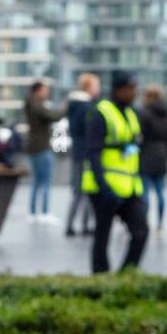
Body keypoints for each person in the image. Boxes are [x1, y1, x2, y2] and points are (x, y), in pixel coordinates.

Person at [81, 69, 148, 274]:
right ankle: (100, 278)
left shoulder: (131, 113)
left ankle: (125, 275)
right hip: (104, 188)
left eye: (135, 89)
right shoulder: (101, 112)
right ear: (118, 90)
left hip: (129, 188)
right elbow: (92, 152)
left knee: (141, 231)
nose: (133, 93)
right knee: (102, 235)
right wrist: (104, 187)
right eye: (129, 89)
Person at [64, 72, 98, 237]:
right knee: (82, 192)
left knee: (81, 192)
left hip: (79, 153)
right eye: (95, 85)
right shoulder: (85, 107)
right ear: (88, 87)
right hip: (85, 154)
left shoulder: (75, 105)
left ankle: (80, 225)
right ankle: (75, 225)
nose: (98, 88)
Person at [24, 81, 63, 223]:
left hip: (35, 147)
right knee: (45, 181)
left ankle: (33, 212)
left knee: (37, 181)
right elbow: (55, 116)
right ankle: (44, 212)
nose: (47, 92)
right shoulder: (36, 104)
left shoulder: (30, 103)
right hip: (41, 147)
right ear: (38, 90)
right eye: (45, 89)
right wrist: (63, 109)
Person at [137, 85, 167, 233]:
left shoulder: (143, 113)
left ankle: (143, 222)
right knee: (160, 193)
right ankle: (160, 225)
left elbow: (139, 137)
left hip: (145, 155)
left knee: (144, 193)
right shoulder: (166, 114)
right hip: (162, 155)